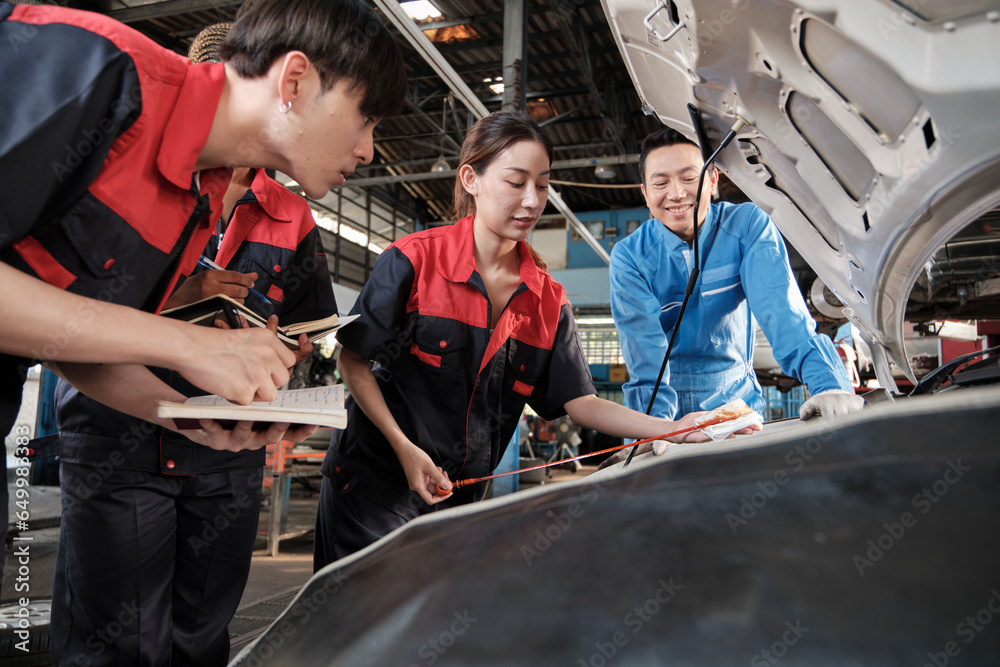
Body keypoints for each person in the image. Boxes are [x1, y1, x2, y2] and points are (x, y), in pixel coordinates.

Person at [313, 111, 759, 570]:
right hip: (372, 487)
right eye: (516, 182)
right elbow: (352, 360)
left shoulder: (546, 301)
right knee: (356, 611)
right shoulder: (413, 261)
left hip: (456, 500)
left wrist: (677, 428)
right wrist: (404, 448)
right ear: (471, 179)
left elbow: (583, 403)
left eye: (542, 185)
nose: (531, 200)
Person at [46, 22, 345, 665]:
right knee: (116, 641)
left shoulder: (290, 214)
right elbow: (66, 319)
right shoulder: (136, 158)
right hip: (119, 438)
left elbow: (308, 324)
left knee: (201, 633)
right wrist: (179, 307)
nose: (365, 149)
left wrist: (279, 357)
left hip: (223, 448)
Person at [609, 127, 864, 424]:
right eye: (661, 183)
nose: (676, 194)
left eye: (689, 178)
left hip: (736, 408)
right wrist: (655, 427)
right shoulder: (629, 256)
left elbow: (783, 312)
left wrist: (829, 384)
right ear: (645, 193)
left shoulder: (748, 226)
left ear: (712, 180)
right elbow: (645, 358)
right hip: (665, 412)